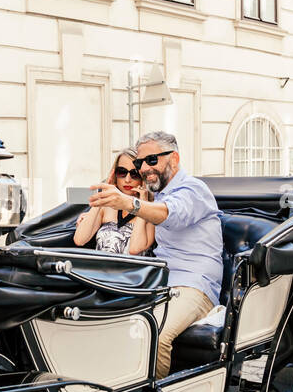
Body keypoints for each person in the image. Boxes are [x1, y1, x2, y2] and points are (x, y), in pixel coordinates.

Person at [87, 131, 223, 378]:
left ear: (174, 158)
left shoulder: (193, 189)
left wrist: (130, 204)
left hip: (194, 285)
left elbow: (170, 214)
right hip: (158, 283)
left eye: (152, 160)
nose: (145, 169)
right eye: (141, 163)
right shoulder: (156, 194)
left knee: (154, 334)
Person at [72, 149, 154, 255]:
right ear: (115, 175)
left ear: (143, 177)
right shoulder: (106, 207)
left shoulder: (151, 210)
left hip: (132, 271)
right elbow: (79, 240)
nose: (127, 179)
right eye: (122, 172)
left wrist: (142, 202)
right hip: (100, 270)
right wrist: (102, 195)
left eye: (134, 174)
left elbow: (134, 249)